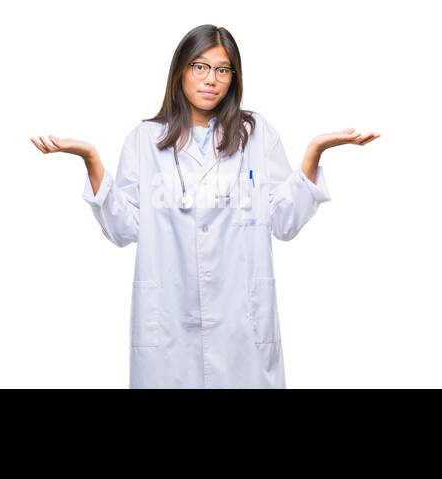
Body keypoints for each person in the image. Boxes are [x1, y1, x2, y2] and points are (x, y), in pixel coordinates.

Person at [32, 24, 378, 388]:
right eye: (200, 66)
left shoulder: (256, 135)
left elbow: (284, 222)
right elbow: (124, 229)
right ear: (180, 70)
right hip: (168, 323)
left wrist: (313, 154)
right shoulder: (144, 140)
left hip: (242, 326)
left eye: (222, 69)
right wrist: (92, 161)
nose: (211, 79)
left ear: (233, 78)